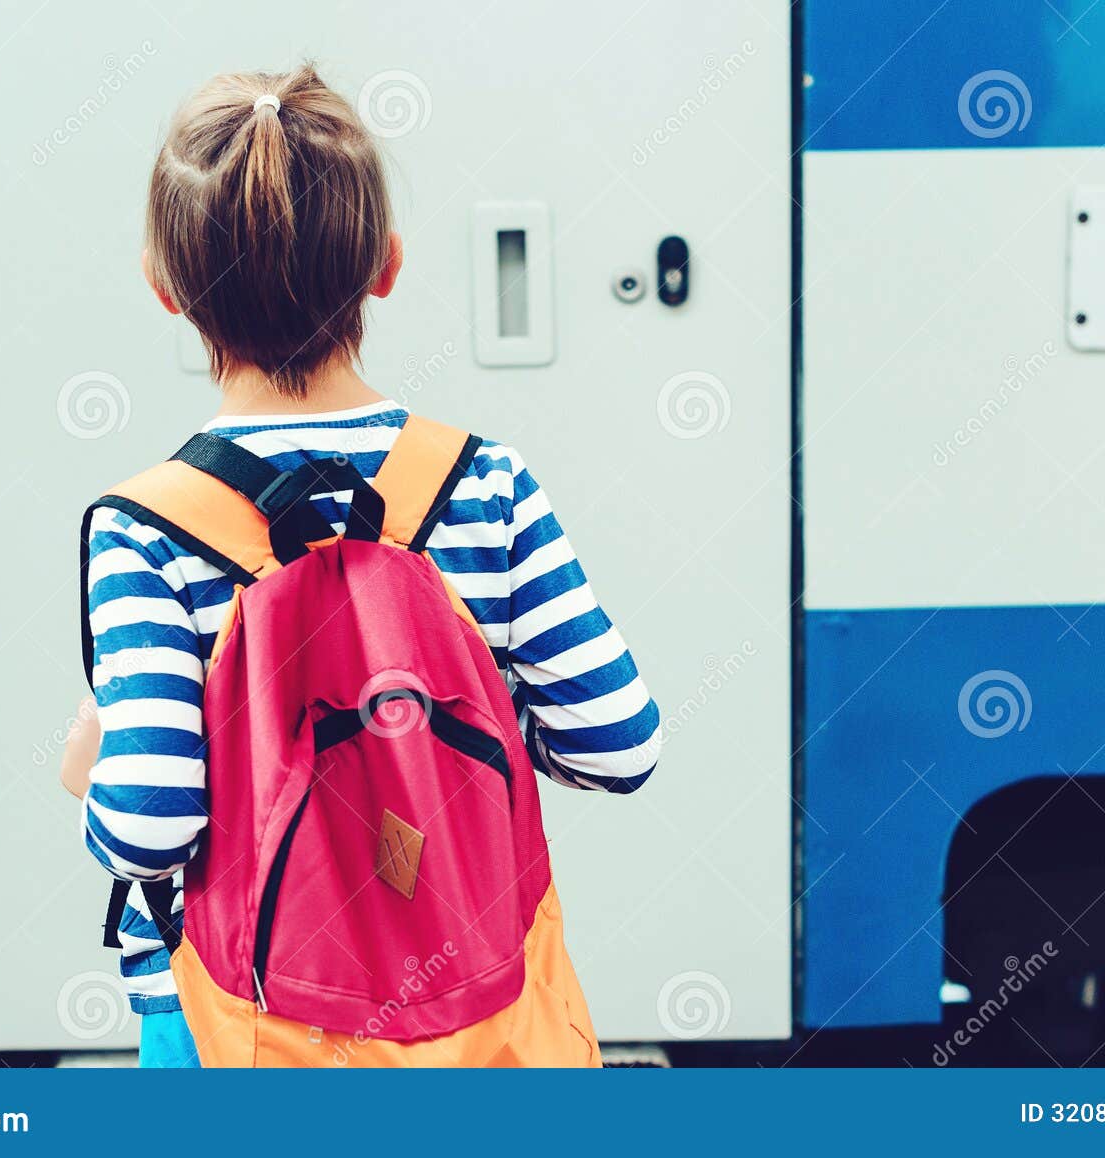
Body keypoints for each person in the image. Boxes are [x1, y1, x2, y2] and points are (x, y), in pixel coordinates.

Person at [62, 65, 660, 1067]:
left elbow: (152, 821)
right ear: (385, 266)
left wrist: (84, 767)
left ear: (163, 287)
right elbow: (615, 747)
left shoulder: (146, 528)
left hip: (232, 1026)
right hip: (482, 1019)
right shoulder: (488, 485)